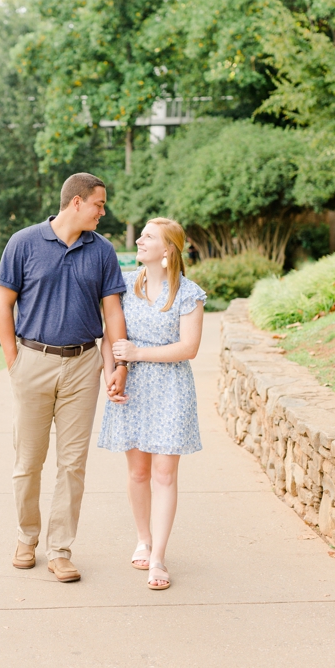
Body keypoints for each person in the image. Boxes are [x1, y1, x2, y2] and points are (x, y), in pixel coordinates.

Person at [0, 173, 128, 583]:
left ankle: (60, 549)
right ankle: (25, 537)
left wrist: (117, 365)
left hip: (84, 365)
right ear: (76, 202)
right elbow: (3, 306)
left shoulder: (102, 251)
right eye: (98, 205)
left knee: (72, 465)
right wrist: (14, 363)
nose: (103, 212)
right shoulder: (23, 242)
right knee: (27, 462)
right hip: (33, 361)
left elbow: (113, 314)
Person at [97, 217, 206, 590]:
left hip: (171, 389)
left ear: (168, 250)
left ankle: (158, 557)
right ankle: (142, 538)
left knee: (164, 474)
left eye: (148, 237)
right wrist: (110, 374)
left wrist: (139, 352)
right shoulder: (124, 287)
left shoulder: (188, 294)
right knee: (139, 472)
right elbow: (110, 338)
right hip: (132, 388)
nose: (140, 240)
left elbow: (188, 348)